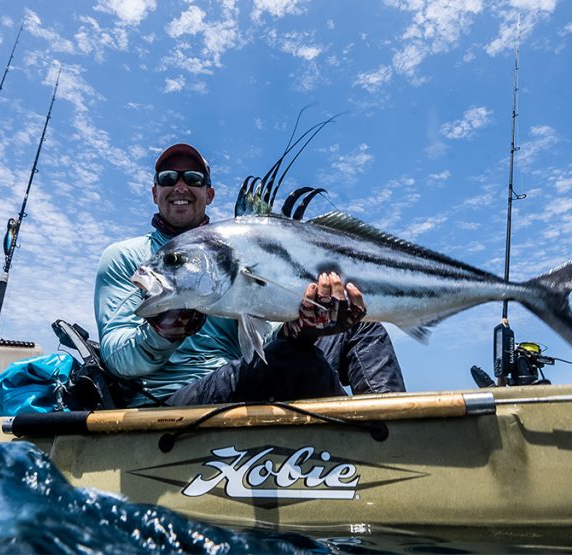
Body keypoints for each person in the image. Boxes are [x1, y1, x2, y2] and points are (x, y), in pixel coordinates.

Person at [93, 143, 405, 408]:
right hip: (168, 400)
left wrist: (299, 327)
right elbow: (117, 360)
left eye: (193, 178)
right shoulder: (127, 257)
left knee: (363, 327)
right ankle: (365, 444)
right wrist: (160, 334)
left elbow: (263, 338)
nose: (180, 186)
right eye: (168, 178)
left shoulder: (235, 249)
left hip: (239, 376)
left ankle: (396, 428)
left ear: (209, 193)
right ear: (155, 192)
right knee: (294, 362)